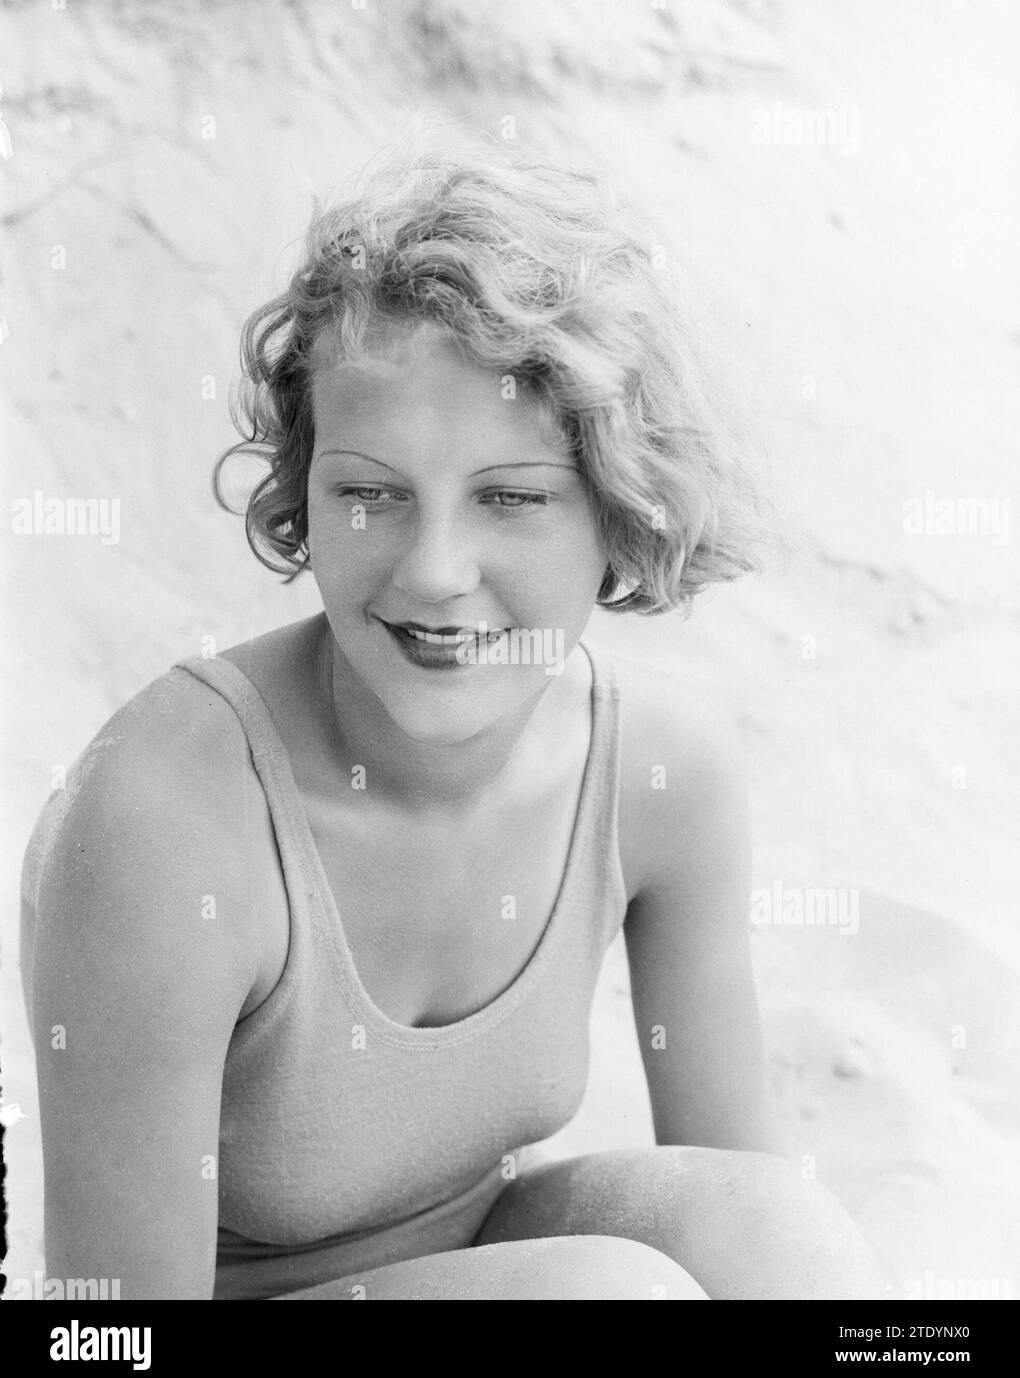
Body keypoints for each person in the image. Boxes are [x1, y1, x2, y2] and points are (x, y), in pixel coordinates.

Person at [20, 132, 883, 1300]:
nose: (433, 571)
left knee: (775, 1229)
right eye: (370, 492)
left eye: (511, 498)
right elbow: (104, 1339)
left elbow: (745, 1226)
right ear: (303, 497)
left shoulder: (658, 775)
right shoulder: (163, 821)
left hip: (478, 1262)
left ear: (619, 510)